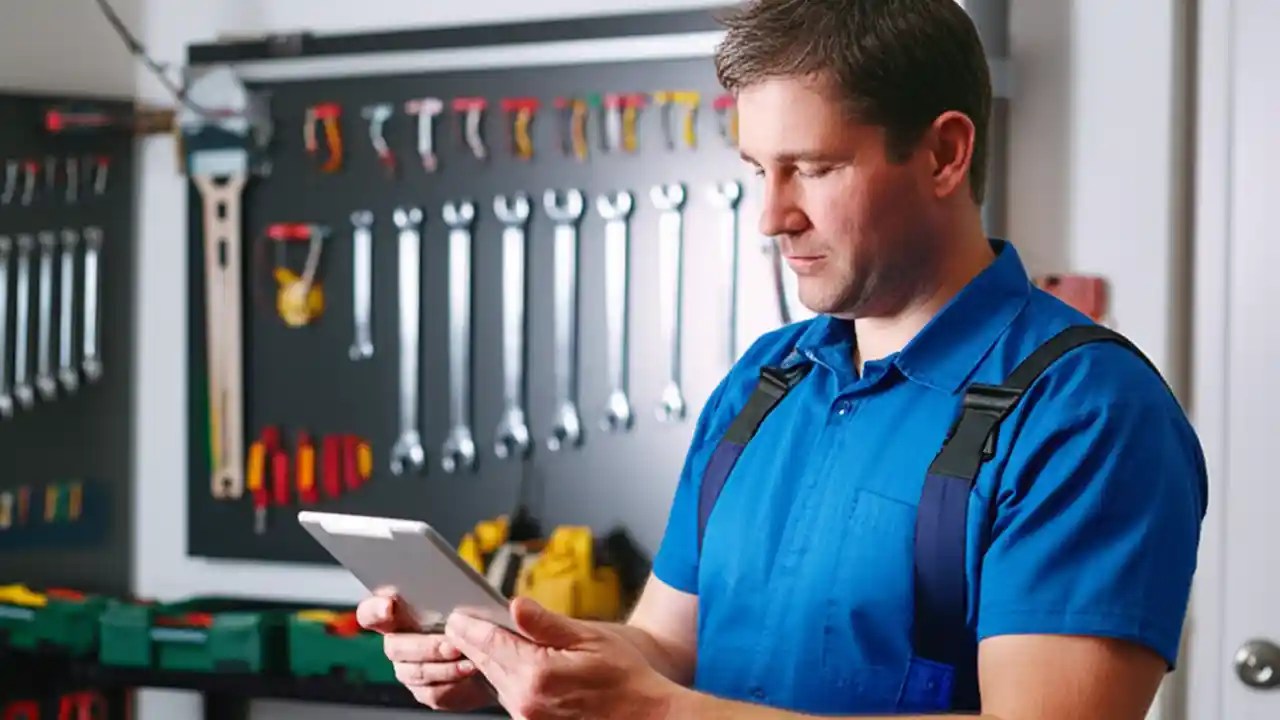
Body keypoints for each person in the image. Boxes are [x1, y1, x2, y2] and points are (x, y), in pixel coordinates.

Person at [357, 1, 1209, 718]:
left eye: (814, 168)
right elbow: (667, 646)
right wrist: (517, 657)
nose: (772, 216)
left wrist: (661, 714)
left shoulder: (1086, 412)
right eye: (760, 169)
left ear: (945, 154)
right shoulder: (767, 383)